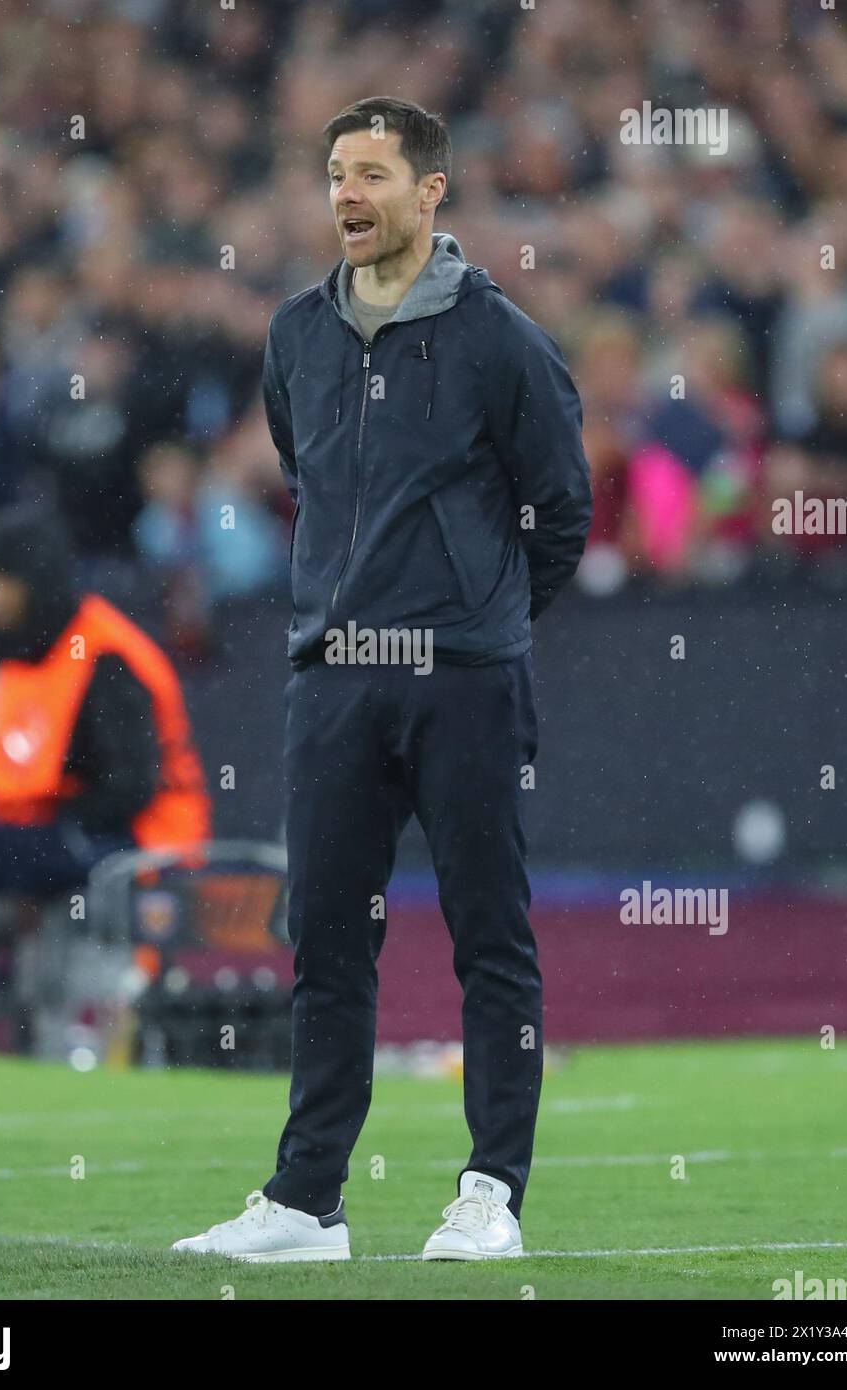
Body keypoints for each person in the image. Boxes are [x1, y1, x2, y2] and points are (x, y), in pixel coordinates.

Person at [172, 97, 591, 1263]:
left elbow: (559, 508)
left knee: (487, 936)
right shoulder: (295, 334)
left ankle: (490, 1193)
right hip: (333, 681)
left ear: (430, 191)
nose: (346, 193)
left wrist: (478, 617)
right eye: (334, 173)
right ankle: (308, 1203)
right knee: (323, 940)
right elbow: (304, 473)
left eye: (370, 172)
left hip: (461, 677)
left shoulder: (499, 339)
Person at [0, 506, 212, 1056]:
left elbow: (133, 788)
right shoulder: (24, 653)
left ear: (35, 585)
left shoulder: (106, 654)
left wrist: (44, 819)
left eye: (3, 587)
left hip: (136, 845)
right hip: (61, 831)